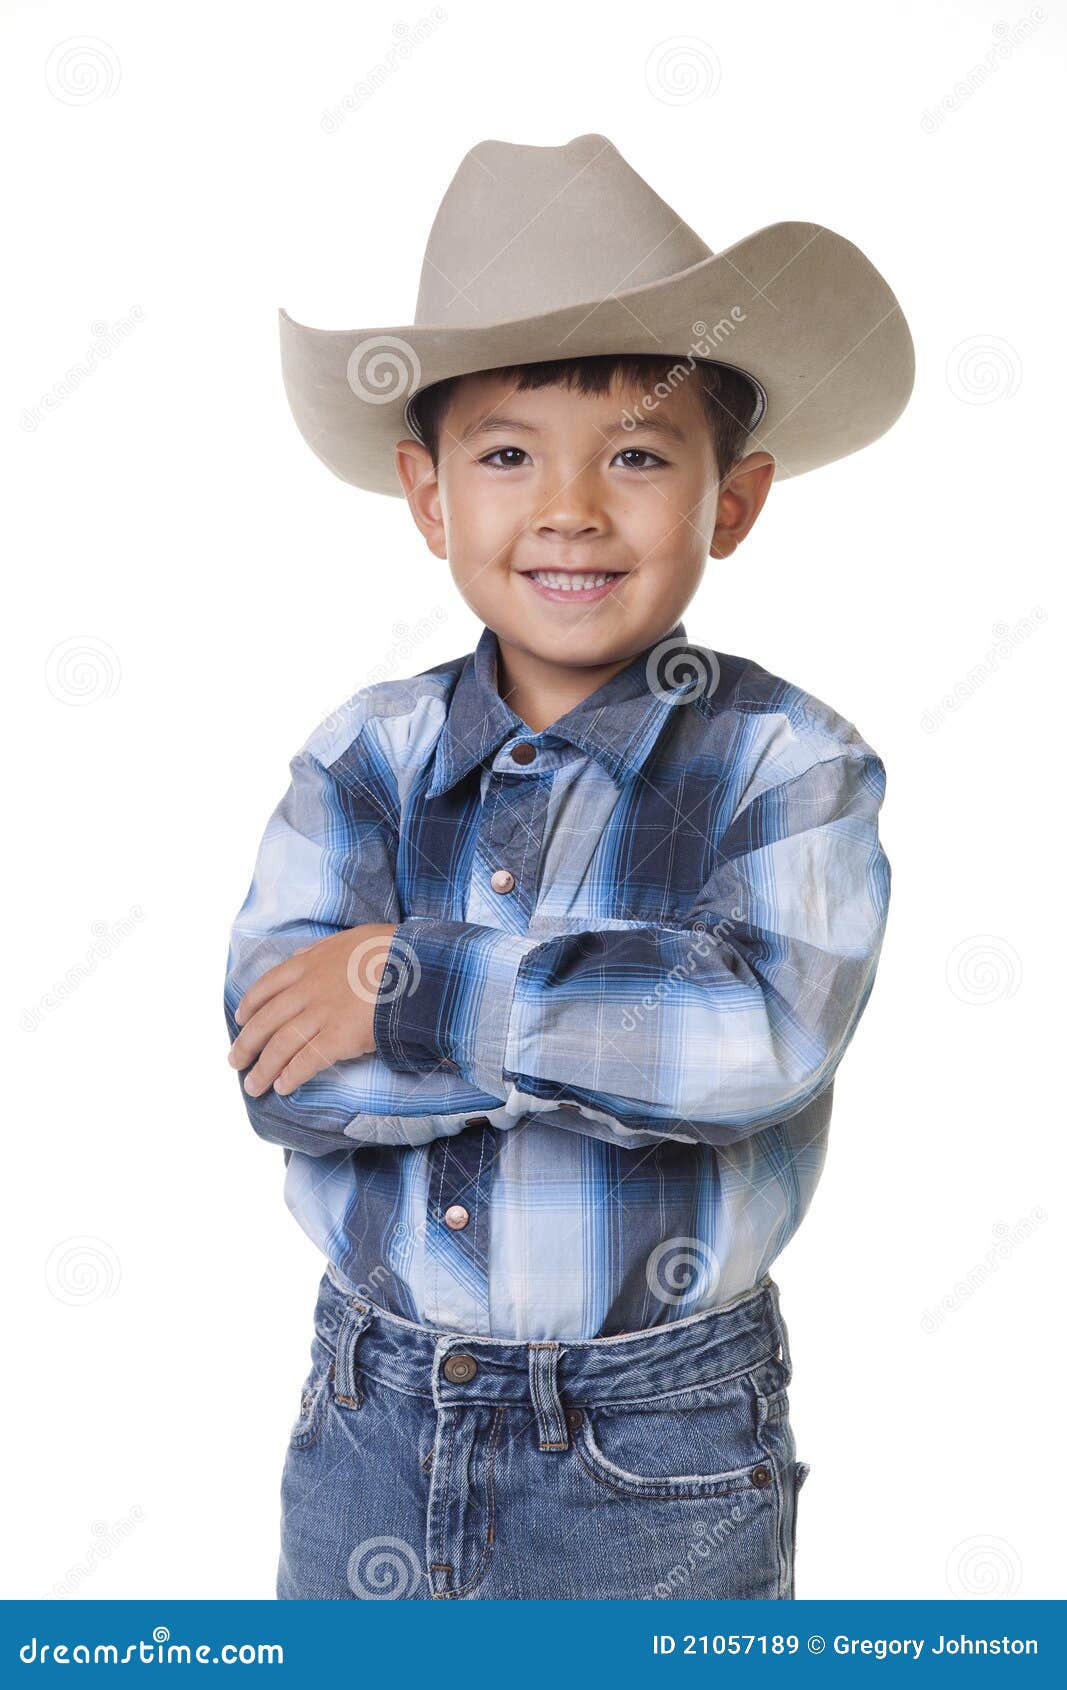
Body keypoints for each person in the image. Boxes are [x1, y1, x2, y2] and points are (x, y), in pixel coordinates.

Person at [223, 133, 913, 1601]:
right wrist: (609, 1033)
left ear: (733, 501)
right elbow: (283, 1067)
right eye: (507, 453)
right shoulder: (365, 758)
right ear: (429, 496)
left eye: (642, 456)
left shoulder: (790, 767)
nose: (573, 507)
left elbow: (752, 1041)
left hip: (658, 1441)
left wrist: (410, 988)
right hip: (373, 1414)